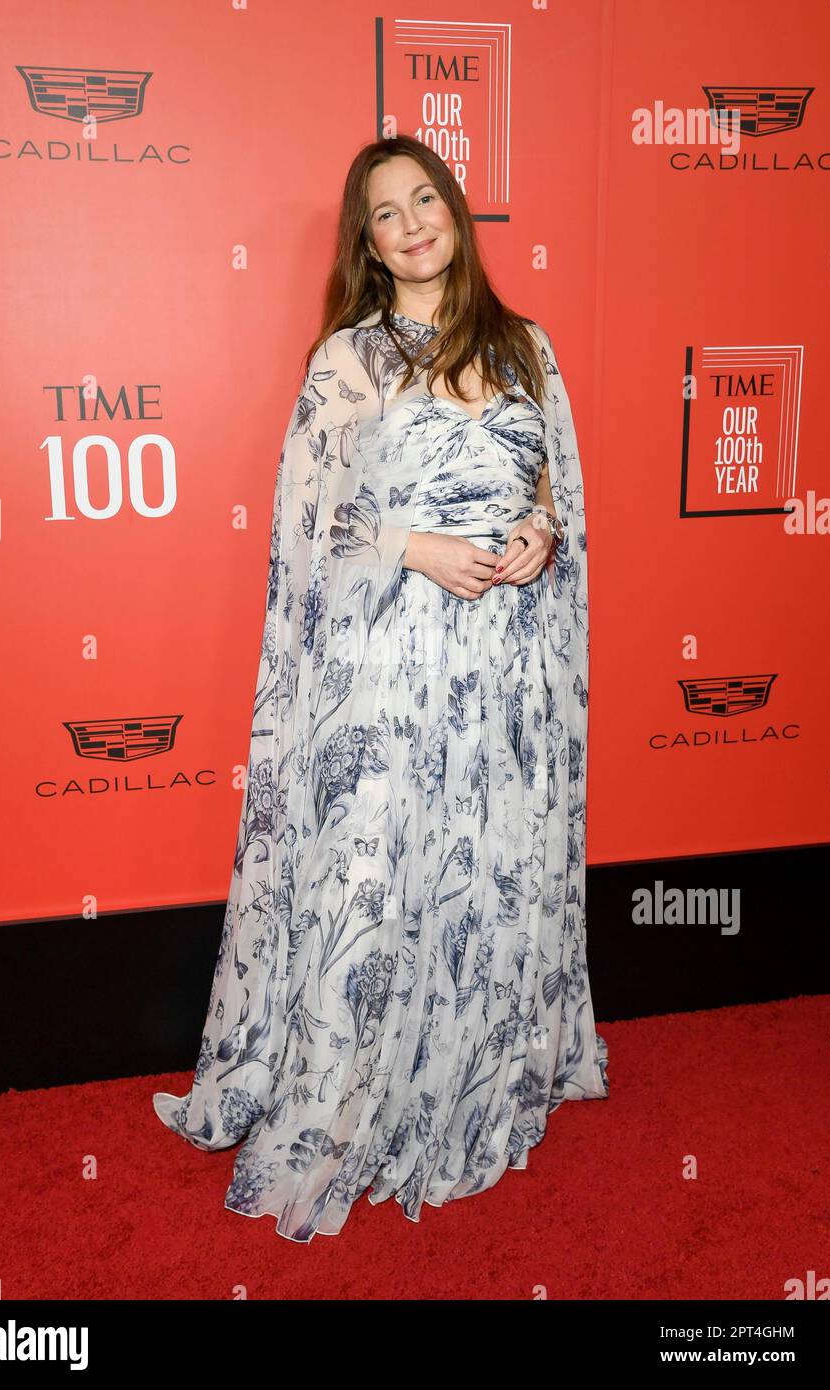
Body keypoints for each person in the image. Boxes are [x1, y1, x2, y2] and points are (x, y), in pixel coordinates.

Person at [153, 133, 609, 1244]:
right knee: (375, 872)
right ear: (365, 241)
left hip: (503, 668)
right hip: (390, 669)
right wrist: (416, 547)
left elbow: (551, 483)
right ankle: (352, 1092)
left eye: (424, 201)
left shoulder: (524, 345)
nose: (410, 225)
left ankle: (478, 1068)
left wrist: (537, 536)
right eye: (384, 214)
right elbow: (309, 520)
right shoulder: (347, 360)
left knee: (484, 865)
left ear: (454, 210)